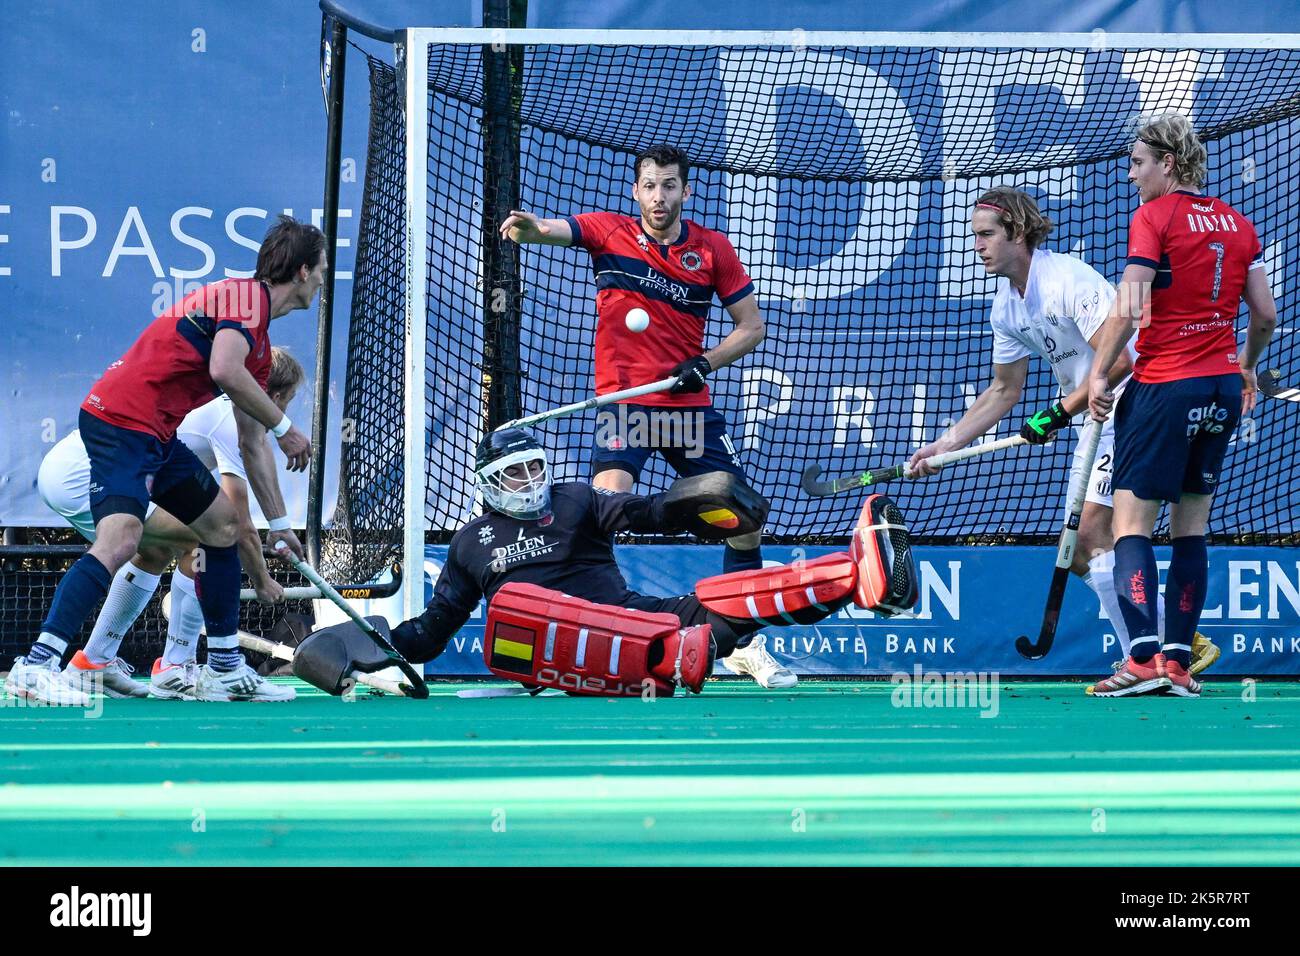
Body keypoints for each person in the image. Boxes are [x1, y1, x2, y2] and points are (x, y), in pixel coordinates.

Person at [907, 186, 1219, 685]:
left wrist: (1055, 413)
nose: (977, 246)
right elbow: (1003, 391)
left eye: (987, 234)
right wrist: (946, 445)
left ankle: (1148, 660)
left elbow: (1121, 360)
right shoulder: (1006, 307)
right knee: (1078, 550)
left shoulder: (1067, 279)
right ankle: (1166, 645)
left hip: (1133, 408)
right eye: (974, 236)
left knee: (1094, 533)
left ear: (1019, 232)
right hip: (1091, 420)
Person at [5, 216, 321, 706]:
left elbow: (251, 442)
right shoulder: (243, 298)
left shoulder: (257, 348)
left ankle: (222, 668)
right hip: (122, 421)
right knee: (122, 540)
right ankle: (37, 665)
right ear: (302, 271)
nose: (323, 279)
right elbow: (223, 370)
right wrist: (287, 428)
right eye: (321, 269)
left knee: (221, 526)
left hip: (157, 433)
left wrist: (279, 523)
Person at [499, 143, 785, 684]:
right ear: (636, 191)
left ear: (686, 190)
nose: (659, 196)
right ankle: (587, 638)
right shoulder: (609, 231)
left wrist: (704, 362)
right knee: (603, 510)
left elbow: (751, 327)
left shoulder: (713, 250)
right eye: (650, 186)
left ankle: (740, 642)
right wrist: (533, 231)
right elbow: (556, 230)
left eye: (670, 185)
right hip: (624, 407)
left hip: (687, 411)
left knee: (745, 517)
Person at [375, 428, 886, 693]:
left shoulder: (577, 498)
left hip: (633, 622)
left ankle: (857, 576)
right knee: (524, 609)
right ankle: (667, 659)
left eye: (535, 467)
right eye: (515, 473)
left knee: (726, 608)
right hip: (552, 657)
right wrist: (376, 644)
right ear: (489, 483)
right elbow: (433, 631)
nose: (529, 481)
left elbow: (647, 511)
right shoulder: (471, 542)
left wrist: (698, 502)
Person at [1087, 113, 1277, 698]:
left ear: (1168, 163)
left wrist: (1098, 372)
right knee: (1192, 527)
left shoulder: (1156, 216)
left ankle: (1142, 658)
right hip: (1221, 388)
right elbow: (1266, 315)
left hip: (1165, 385)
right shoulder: (1240, 224)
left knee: (1129, 526)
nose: (1132, 175)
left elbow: (1132, 295)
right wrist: (1245, 366)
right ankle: (1177, 665)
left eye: (1139, 163)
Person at [35, 348, 308, 702]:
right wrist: (261, 579)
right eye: (288, 400)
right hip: (79, 475)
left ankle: (94, 662)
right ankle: (175, 666)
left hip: (60, 471)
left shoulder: (226, 414)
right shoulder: (230, 421)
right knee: (202, 539)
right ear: (272, 396)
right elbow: (236, 526)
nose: (285, 411)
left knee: (155, 548)